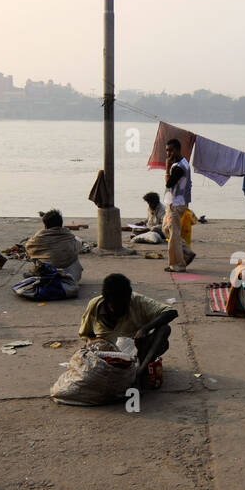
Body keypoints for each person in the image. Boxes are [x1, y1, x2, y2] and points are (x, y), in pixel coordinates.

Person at [79, 273, 178, 388]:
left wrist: (144, 329)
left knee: (164, 329)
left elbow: (171, 312)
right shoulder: (94, 306)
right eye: (116, 307)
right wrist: (95, 344)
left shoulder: (136, 301)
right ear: (106, 301)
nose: (121, 310)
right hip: (106, 356)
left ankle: (140, 372)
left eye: (124, 305)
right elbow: (86, 334)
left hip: (135, 353)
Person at [24, 208, 83, 283]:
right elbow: (79, 245)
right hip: (71, 277)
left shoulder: (39, 238)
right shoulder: (70, 237)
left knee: (34, 255)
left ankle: (38, 273)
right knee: (75, 248)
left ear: (45, 226)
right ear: (61, 224)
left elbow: (28, 248)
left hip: (46, 274)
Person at [163, 139, 193, 272]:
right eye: (167, 150)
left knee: (174, 234)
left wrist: (167, 167)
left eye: (170, 150)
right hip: (177, 203)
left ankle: (177, 265)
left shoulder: (178, 167)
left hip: (175, 205)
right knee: (165, 229)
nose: (168, 153)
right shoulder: (184, 162)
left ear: (177, 150)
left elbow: (169, 183)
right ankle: (186, 252)